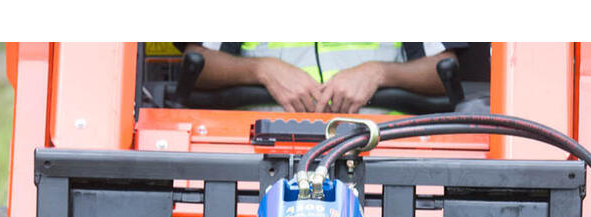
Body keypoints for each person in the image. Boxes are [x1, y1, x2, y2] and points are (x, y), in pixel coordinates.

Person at [180, 42, 466, 113]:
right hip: (256, 155)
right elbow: (197, 65)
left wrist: (379, 73)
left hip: (381, 154)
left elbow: (443, 70)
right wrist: (262, 69)